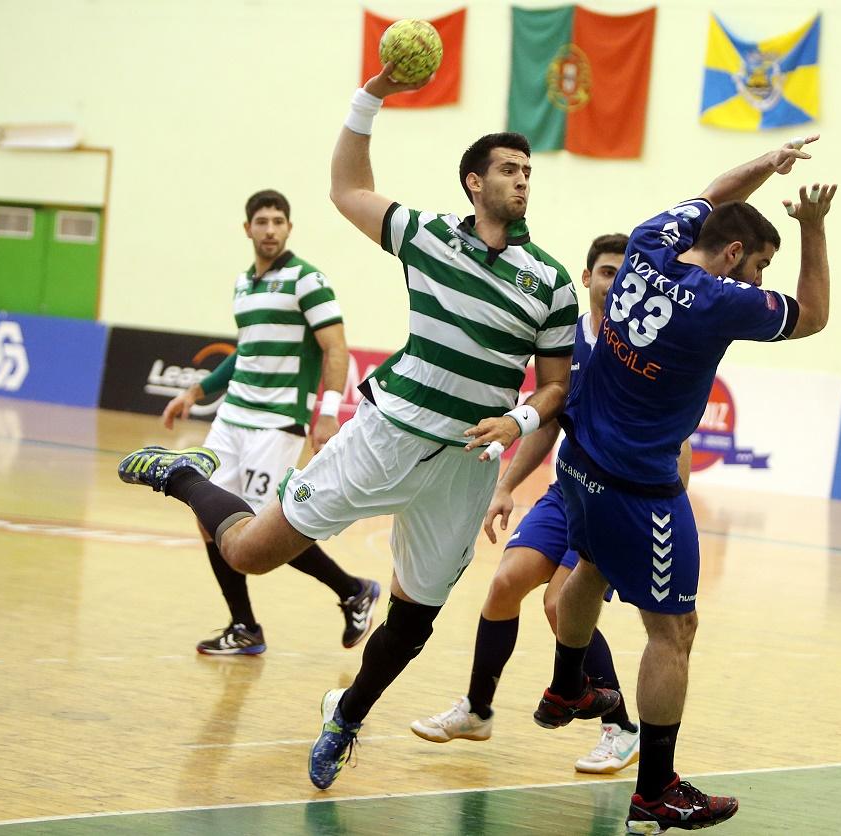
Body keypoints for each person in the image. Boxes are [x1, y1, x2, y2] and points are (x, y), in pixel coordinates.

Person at [114, 64, 581, 791]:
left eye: (528, 172)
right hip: (384, 436)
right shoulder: (428, 237)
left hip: (466, 468)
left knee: (415, 620)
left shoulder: (550, 281)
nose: (522, 181)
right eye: (508, 170)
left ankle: (347, 718)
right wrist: (372, 96)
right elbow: (346, 188)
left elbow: (556, 386)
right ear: (473, 182)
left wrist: (518, 418)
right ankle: (179, 475)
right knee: (248, 554)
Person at [536, 140, 835, 833]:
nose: (759, 278)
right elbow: (814, 315)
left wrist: (766, 161)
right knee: (674, 631)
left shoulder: (645, 243)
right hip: (638, 485)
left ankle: (567, 683)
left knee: (591, 564)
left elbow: (713, 191)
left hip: (577, 462)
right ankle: (655, 791)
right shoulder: (719, 302)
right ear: (733, 255)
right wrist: (814, 228)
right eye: (759, 265)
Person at [412, 234, 694, 775]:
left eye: (625, 274)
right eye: (606, 272)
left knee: (558, 604)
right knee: (504, 583)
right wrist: (505, 486)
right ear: (586, 278)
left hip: (618, 500)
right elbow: (546, 422)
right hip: (567, 490)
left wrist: (666, 508)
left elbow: (674, 431)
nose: (615, 283)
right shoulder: (567, 342)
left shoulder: (646, 344)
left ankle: (621, 727)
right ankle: (477, 710)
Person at [157, 189, 380, 655]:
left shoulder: (307, 280)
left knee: (259, 531)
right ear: (248, 229)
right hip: (231, 418)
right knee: (209, 518)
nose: (271, 229)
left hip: (277, 423)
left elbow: (335, 349)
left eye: (279, 221)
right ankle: (244, 627)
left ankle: (352, 589)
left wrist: (327, 413)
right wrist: (195, 392)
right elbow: (245, 351)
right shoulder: (244, 284)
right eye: (262, 221)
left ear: (289, 228)